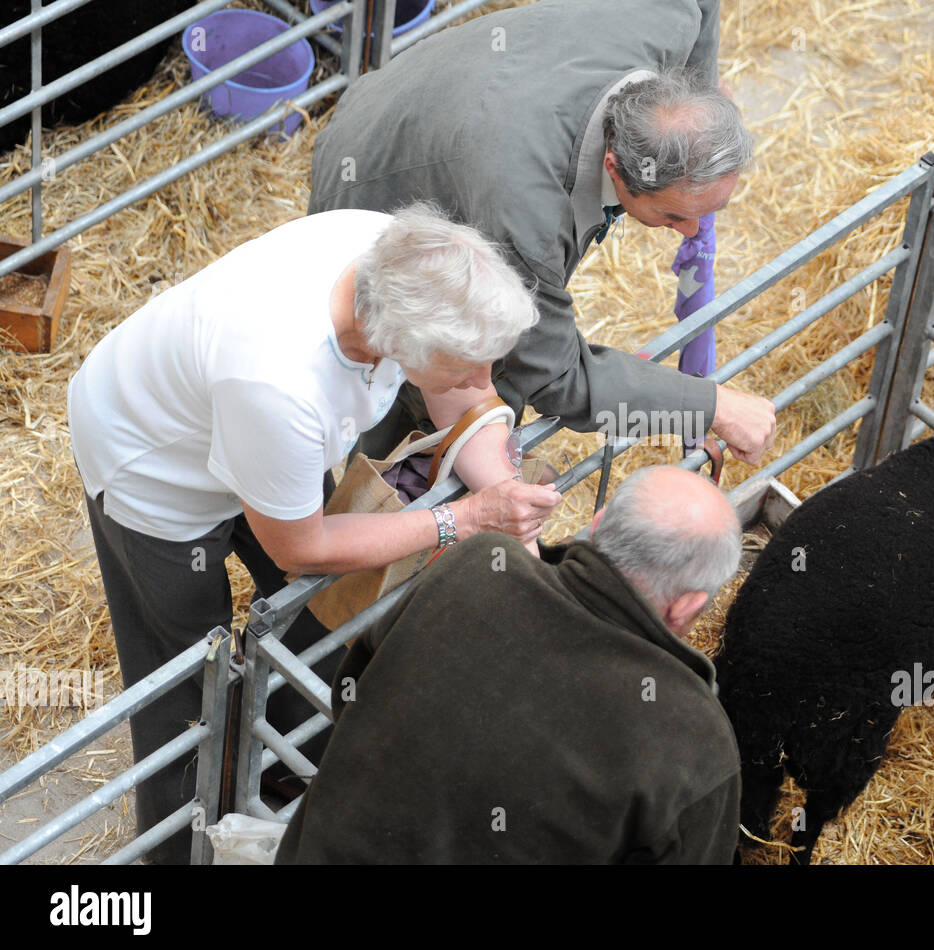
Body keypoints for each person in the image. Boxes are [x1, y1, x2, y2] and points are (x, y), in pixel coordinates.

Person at [68, 203, 561, 863]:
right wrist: (463, 518)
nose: (484, 386)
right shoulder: (280, 382)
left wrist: (501, 490)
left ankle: (278, 757)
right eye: (472, 368)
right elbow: (298, 548)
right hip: (153, 473)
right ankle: (178, 850)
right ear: (403, 344)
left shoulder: (394, 256)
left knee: (336, 605)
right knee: (188, 688)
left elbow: (455, 390)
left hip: (259, 443)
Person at [308, 0, 777, 466]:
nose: (690, 232)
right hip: (369, 169)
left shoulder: (671, 15)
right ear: (614, 169)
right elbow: (553, 375)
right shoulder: (525, 221)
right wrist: (711, 407)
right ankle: (404, 484)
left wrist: (703, 86)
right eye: (674, 217)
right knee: (451, 360)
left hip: (438, 91)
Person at [276, 466, 743, 864]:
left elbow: (351, 690)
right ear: (688, 607)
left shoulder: (477, 567)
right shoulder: (696, 742)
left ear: (597, 525)